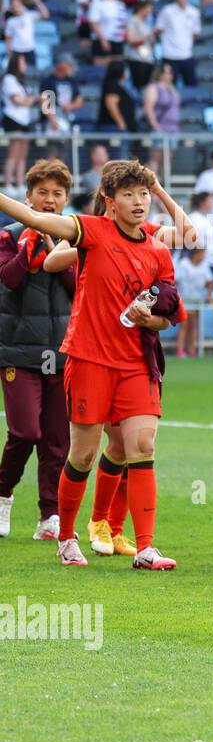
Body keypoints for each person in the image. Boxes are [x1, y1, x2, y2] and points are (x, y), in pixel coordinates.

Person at [0, 161, 198, 570]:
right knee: (83, 455)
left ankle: (145, 548)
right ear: (110, 201)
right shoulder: (92, 231)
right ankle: (67, 536)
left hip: (137, 363)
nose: (139, 202)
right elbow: (36, 218)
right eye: (129, 194)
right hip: (90, 358)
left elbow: (170, 312)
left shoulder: (157, 246)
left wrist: (152, 320)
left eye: (143, 194)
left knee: (142, 447)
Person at [0, 161, 77, 542]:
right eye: (42, 193)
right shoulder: (9, 236)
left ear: (66, 199)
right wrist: (30, 245)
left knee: (57, 440)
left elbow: (81, 289)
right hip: (18, 352)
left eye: (57, 194)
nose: (49, 200)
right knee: (25, 431)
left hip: (61, 354)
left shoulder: (76, 238)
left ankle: (50, 516)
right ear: (27, 197)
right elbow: (9, 280)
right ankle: (2, 493)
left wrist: (56, 250)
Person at [2, 56, 39, 191]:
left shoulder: (23, 80)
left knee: (22, 155)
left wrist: (30, 100)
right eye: (22, 62)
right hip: (13, 119)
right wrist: (34, 99)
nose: (24, 64)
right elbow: (18, 100)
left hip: (25, 120)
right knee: (13, 153)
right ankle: (7, 184)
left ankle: (19, 184)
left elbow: (26, 99)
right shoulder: (9, 79)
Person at [156, 0, 201, 87]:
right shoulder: (167, 11)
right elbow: (158, 29)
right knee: (170, 87)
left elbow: (195, 33)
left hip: (187, 55)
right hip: (170, 56)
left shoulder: (194, 12)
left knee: (192, 86)